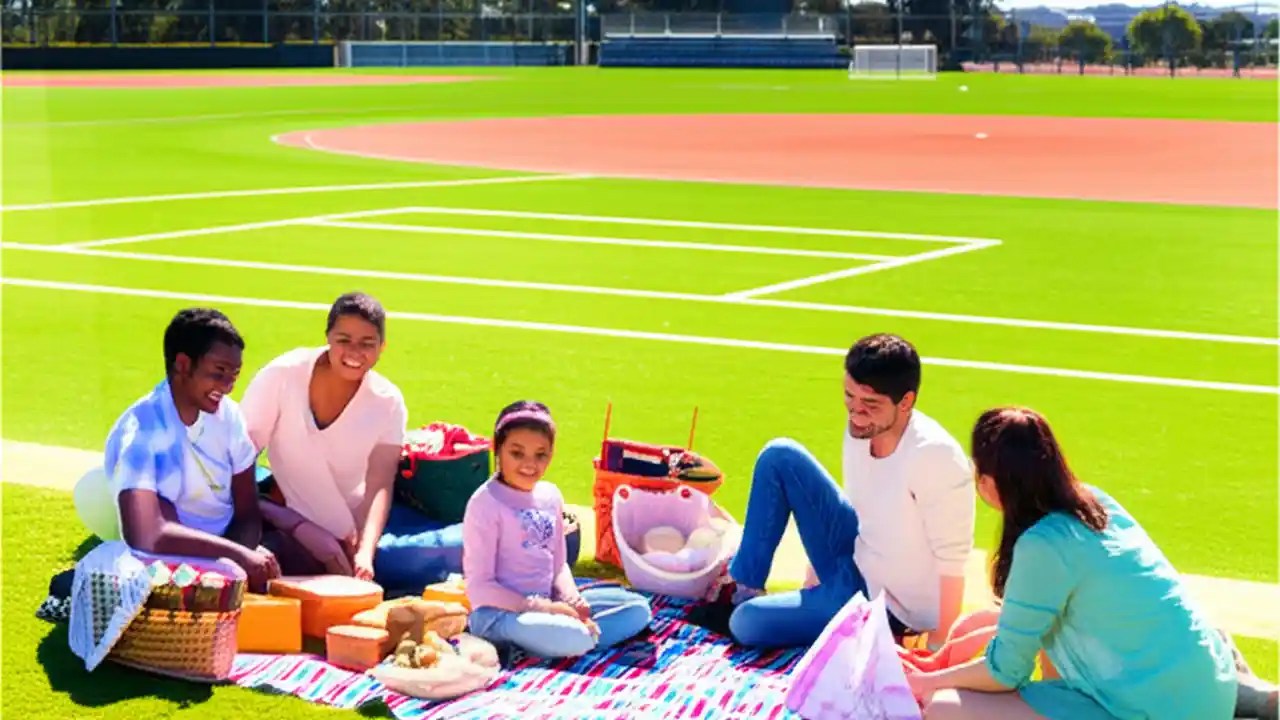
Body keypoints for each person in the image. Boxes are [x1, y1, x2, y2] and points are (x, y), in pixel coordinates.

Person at [905, 407, 1237, 720]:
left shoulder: (1042, 545)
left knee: (944, 709)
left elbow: (1005, 672)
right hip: (1207, 693)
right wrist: (954, 652)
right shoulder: (1093, 502)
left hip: (1157, 708)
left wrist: (926, 683)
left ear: (990, 483)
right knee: (1008, 636)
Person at [720, 333, 974, 648]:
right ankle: (742, 590)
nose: (855, 411)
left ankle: (866, 629)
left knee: (747, 624)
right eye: (849, 396)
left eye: (870, 404)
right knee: (779, 456)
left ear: (906, 402)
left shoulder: (935, 456)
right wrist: (812, 583)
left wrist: (938, 649)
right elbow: (857, 506)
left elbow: (953, 561)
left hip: (888, 606)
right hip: (857, 559)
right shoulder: (862, 427)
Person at [240, 292, 433, 586]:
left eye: (367, 344)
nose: (354, 352)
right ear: (328, 336)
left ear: (383, 346)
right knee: (254, 564)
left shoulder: (388, 401)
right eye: (344, 340)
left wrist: (366, 553)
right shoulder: (282, 375)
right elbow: (240, 458)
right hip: (282, 518)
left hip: (347, 532)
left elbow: (380, 483)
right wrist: (289, 521)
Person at [108, 308, 280, 591]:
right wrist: (234, 557)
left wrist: (232, 569)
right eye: (219, 372)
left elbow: (247, 511)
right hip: (165, 567)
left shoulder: (230, 416)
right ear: (183, 365)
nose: (227, 386)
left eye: (234, 375)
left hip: (228, 553)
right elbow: (147, 534)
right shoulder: (142, 432)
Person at [463, 401, 652, 659]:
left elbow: (559, 565)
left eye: (540, 455)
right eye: (517, 453)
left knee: (638, 609)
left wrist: (574, 602)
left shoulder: (550, 496)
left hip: (550, 606)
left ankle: (571, 640)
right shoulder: (485, 503)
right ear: (497, 450)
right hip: (500, 615)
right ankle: (571, 640)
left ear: (551, 454)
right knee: (572, 636)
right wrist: (544, 609)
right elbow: (479, 588)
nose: (529, 464)